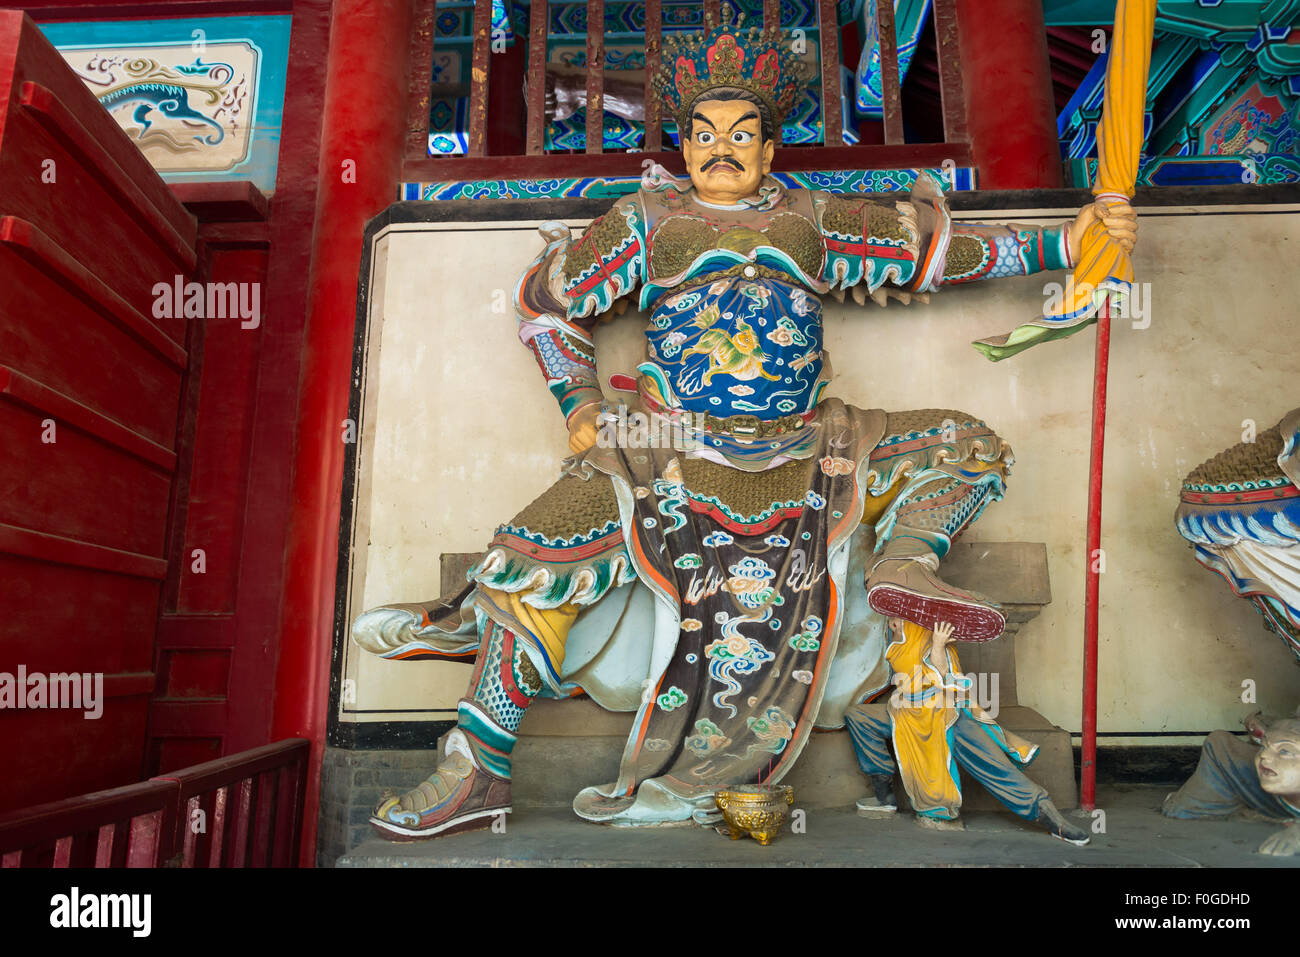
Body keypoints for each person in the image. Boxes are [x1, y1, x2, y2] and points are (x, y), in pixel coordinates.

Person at [351, 11, 1139, 840]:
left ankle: (907, 561)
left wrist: (1067, 241)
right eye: (702, 133)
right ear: (682, 145)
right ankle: (478, 765)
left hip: (815, 445)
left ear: (769, 149)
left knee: (967, 443)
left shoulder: (813, 215)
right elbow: (547, 306)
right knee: (529, 555)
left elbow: (936, 256)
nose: (719, 147)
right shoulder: (644, 221)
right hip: (667, 447)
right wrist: (578, 404)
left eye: (741, 133)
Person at [844, 618, 1089, 844]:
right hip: (903, 714)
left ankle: (1048, 815)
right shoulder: (895, 640)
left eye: (896, 617)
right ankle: (883, 796)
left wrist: (938, 645)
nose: (892, 621)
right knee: (859, 717)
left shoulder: (931, 629)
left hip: (945, 715)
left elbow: (947, 677)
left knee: (993, 765)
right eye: (890, 617)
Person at [1162, 710, 1300, 856]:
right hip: (1282, 791)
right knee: (1218, 743)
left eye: (1285, 751)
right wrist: (1271, 725)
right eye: (1264, 747)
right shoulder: (1266, 759)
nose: (1264, 755)